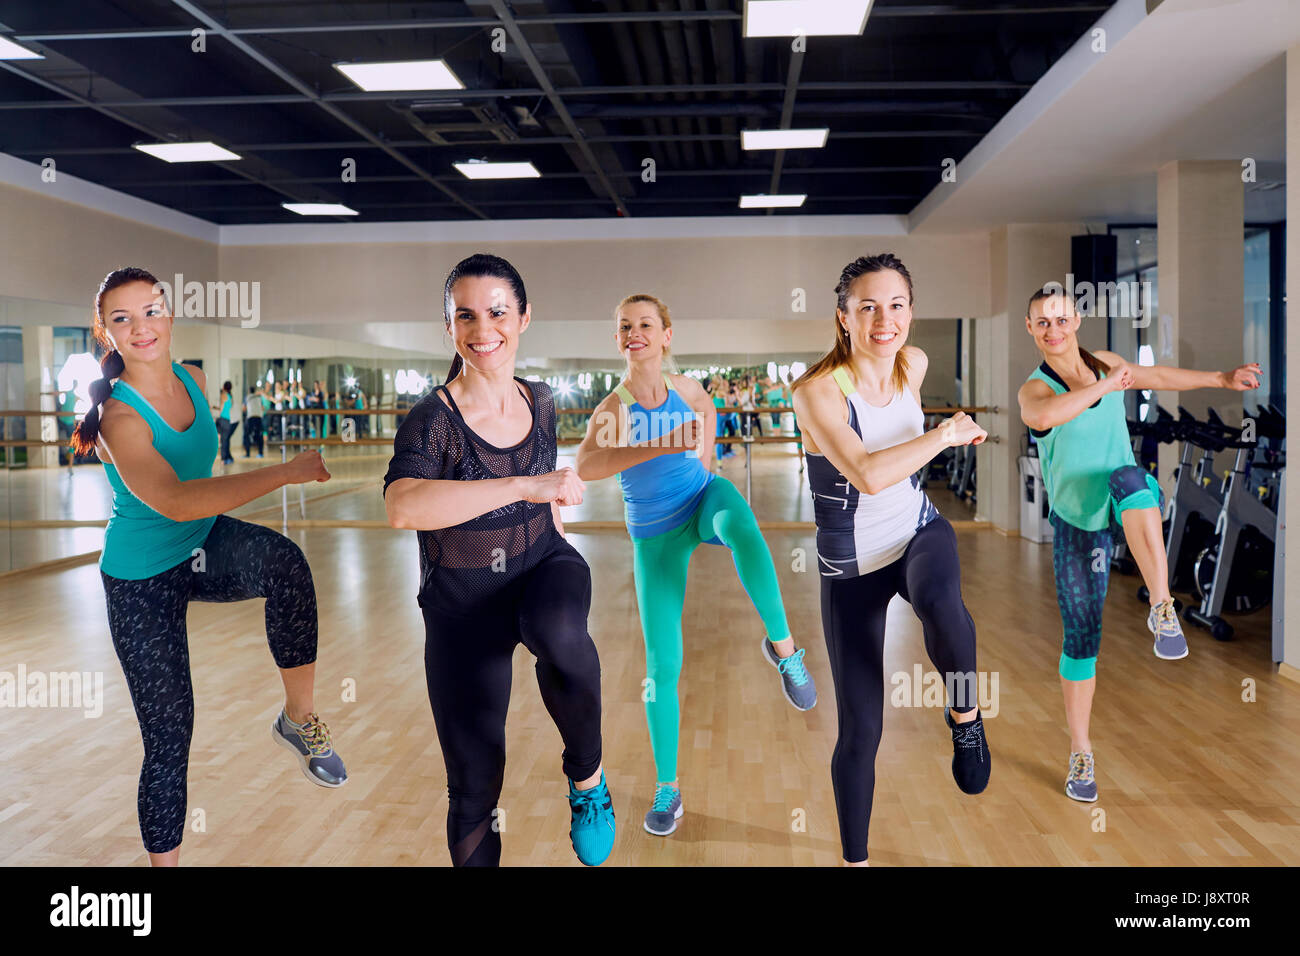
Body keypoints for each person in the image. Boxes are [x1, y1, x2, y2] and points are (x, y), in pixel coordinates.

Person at [70, 267, 346, 866]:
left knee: (287, 565)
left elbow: (196, 501)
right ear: (106, 333)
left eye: (151, 310)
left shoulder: (192, 378)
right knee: (170, 738)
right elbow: (176, 499)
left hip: (202, 545)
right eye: (122, 318)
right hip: (141, 577)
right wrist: (284, 471)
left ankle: (299, 719)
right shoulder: (120, 418)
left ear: (169, 313)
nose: (141, 327)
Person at [383, 253, 616, 867]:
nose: (482, 329)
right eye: (465, 315)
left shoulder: (540, 401)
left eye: (496, 312)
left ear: (523, 317)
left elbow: (547, 493)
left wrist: (549, 512)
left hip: (543, 566)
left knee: (558, 633)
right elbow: (403, 506)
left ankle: (588, 780)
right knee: (472, 784)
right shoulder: (432, 420)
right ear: (448, 325)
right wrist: (523, 486)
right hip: (462, 608)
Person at [575, 292, 817, 838]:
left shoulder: (686, 389)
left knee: (745, 530)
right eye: (624, 326)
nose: (633, 333)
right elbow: (587, 465)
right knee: (662, 667)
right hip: (656, 534)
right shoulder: (614, 408)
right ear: (618, 339)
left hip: (702, 500)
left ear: (666, 335)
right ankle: (669, 789)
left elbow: (706, 409)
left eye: (644, 324)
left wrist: (704, 458)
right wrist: (660, 444)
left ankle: (785, 651)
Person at [1016, 285, 1260, 803]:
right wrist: (1105, 387)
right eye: (1042, 322)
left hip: (1124, 499)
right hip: (1077, 521)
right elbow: (1045, 417)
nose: (1053, 329)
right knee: (1081, 639)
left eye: (1060, 318)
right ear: (1032, 330)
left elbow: (1157, 376)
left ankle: (1162, 606)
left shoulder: (1106, 362)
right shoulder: (1034, 389)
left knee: (1131, 477)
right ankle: (1081, 754)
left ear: (1076, 319)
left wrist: (1220, 379)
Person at [790, 253, 991, 866]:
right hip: (851, 568)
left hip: (917, 534)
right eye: (868, 306)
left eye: (897, 304)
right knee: (861, 732)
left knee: (944, 608)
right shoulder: (817, 392)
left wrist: (939, 436)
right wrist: (946, 434)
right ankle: (857, 859)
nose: (885, 319)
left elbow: (896, 477)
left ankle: (967, 717)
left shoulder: (914, 362)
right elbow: (870, 474)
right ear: (843, 317)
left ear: (911, 310)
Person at [214, 380, 236, 465]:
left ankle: (223, 459)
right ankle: (227, 458)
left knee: (223, 440)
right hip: (228, 421)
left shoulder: (223, 395)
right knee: (226, 440)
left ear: (224, 387)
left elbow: (221, 409)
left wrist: (217, 412)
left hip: (222, 419)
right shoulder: (230, 396)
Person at [243, 385, 264, 458]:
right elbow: (262, 407)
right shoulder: (259, 398)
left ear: (249, 391)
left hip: (251, 417)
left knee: (247, 435)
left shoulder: (247, 397)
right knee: (259, 435)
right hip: (258, 417)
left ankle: (247, 454)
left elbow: (244, 408)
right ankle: (260, 453)